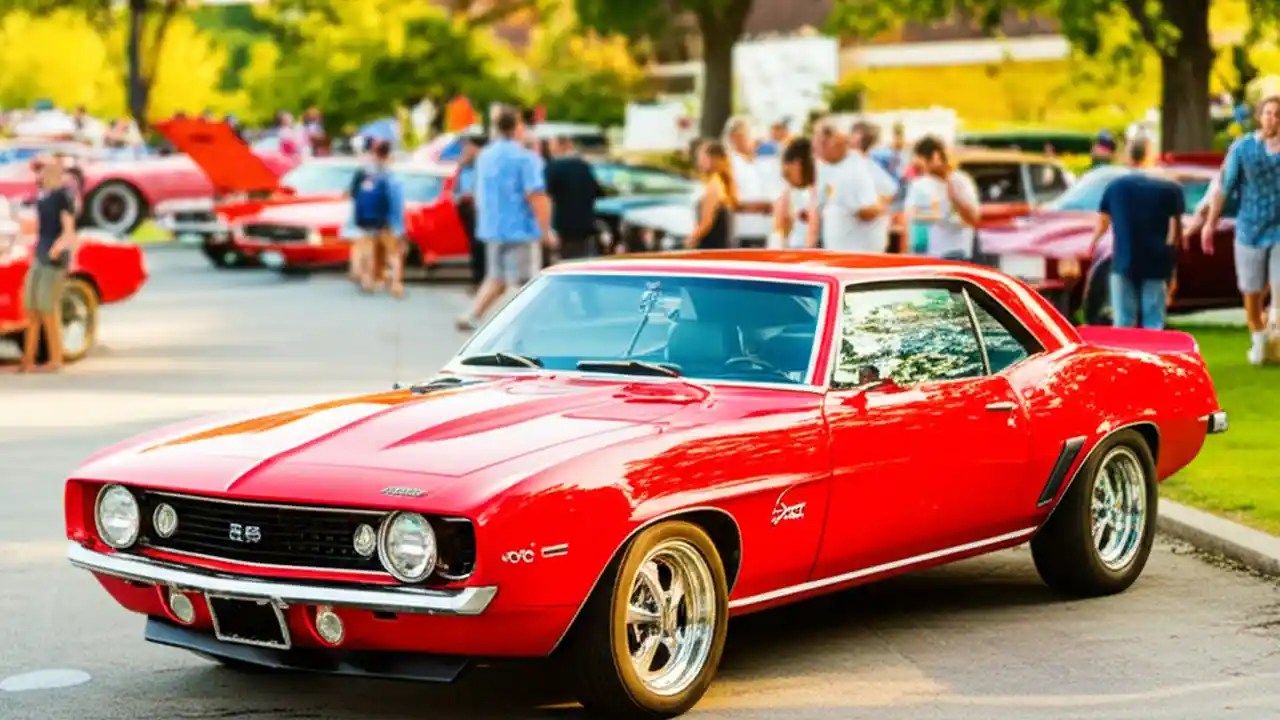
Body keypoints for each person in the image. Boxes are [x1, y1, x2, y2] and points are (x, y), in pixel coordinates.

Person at [1069, 140, 1183, 329]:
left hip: (1123, 260)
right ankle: (1152, 356)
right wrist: (1172, 267)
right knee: (1154, 321)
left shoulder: (1115, 187)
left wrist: (1090, 250)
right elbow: (1175, 233)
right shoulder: (1169, 188)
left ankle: (1125, 357)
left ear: (1129, 157)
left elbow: (1102, 226)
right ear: (1151, 156)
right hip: (1157, 261)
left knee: (1123, 321)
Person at [455, 109, 552, 331]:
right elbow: (535, 195)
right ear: (517, 127)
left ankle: (471, 315)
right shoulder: (526, 158)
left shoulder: (485, 157)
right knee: (523, 282)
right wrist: (545, 230)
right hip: (521, 228)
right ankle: (510, 327)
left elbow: (478, 192)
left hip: (492, 227)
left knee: (496, 277)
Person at [1203, 95, 1280, 364]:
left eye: (1278, 114)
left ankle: (1275, 326)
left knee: (1279, 286)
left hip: (1279, 230)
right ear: (1260, 117)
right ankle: (1260, 342)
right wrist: (1210, 224)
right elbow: (1224, 187)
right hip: (1249, 229)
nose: (1273, 119)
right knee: (1252, 291)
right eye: (1268, 113)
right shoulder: (1242, 148)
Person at [19, 156, 78, 372]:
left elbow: (69, 230)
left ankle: (56, 358)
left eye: (42, 171)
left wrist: (58, 248)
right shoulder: (42, 198)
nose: (39, 176)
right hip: (39, 254)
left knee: (47, 309)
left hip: (53, 259)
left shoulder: (63, 196)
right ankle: (28, 359)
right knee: (31, 308)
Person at [808, 120, 888, 253]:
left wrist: (873, 209)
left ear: (835, 142)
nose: (815, 147)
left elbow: (873, 207)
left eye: (820, 142)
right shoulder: (825, 168)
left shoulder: (855, 167)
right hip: (836, 251)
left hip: (858, 254)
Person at [348, 140, 405, 297]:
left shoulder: (364, 172)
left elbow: (353, 194)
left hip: (365, 218)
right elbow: (396, 203)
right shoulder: (390, 176)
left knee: (367, 248)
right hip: (386, 220)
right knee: (394, 252)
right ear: (389, 155)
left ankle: (367, 280)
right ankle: (396, 284)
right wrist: (399, 225)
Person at [909, 136, 980, 260]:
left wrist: (954, 198)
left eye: (922, 160)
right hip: (932, 255)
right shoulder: (921, 184)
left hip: (958, 253)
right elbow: (911, 216)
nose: (920, 166)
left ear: (935, 157)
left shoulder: (960, 181)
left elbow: (973, 218)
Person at [544, 135, 603, 261]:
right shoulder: (584, 166)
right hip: (585, 225)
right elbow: (598, 192)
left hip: (562, 227)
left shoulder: (552, 168)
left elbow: (544, 196)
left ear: (559, 145)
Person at [685, 140, 737, 250]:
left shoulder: (713, 186)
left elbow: (706, 222)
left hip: (711, 247)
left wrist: (690, 240)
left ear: (712, 159)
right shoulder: (722, 183)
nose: (698, 162)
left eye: (701, 157)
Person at [454, 133, 487, 292]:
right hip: (465, 206)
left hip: (477, 208)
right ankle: (478, 279)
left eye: (468, 146)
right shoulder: (466, 164)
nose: (465, 149)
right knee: (474, 244)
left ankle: (480, 280)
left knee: (479, 245)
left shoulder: (483, 163)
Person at [773, 137, 817, 249]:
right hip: (797, 248)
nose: (787, 179)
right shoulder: (790, 191)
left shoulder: (815, 191)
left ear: (797, 164)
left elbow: (781, 223)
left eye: (787, 174)